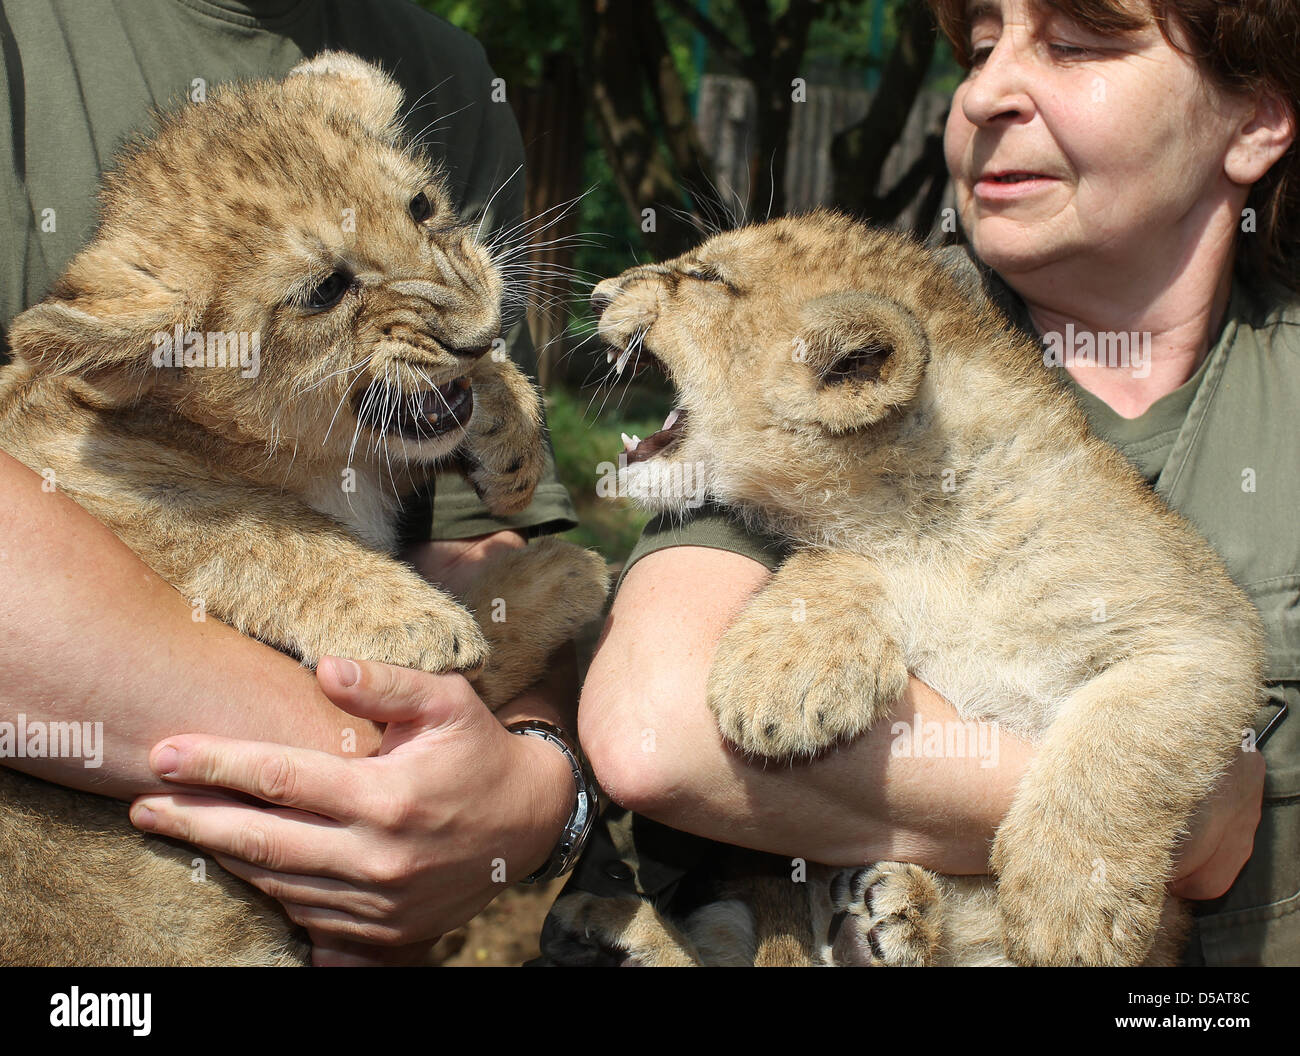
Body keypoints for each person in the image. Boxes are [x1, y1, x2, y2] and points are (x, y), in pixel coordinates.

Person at [552, 0, 1298, 966]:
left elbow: (1193, 649)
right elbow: (660, 731)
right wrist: (1128, 811)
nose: (984, 91)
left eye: (1072, 46)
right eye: (981, 49)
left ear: (1254, 123)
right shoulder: (826, 341)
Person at [0, 0, 585, 966]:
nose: (453, 305)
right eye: (323, 291)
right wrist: (365, 756)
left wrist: (530, 791)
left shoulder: (440, 62)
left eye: (424, 213)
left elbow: (490, 523)